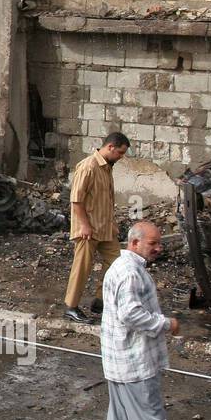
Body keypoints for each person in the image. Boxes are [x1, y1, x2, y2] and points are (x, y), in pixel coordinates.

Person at [96, 221, 209, 420]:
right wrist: (166, 324)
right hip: (134, 363)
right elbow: (131, 315)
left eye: (160, 243)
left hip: (118, 361)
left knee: (120, 419)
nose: (159, 248)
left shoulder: (121, 268)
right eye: (153, 243)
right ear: (134, 243)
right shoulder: (131, 273)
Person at [64, 132, 129, 324]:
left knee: (116, 262)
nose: (121, 157)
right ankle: (71, 307)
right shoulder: (88, 167)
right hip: (88, 229)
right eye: (120, 152)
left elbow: (105, 200)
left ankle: (101, 301)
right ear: (110, 147)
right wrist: (84, 225)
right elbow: (76, 201)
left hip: (105, 228)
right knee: (82, 268)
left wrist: (113, 224)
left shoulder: (107, 167)